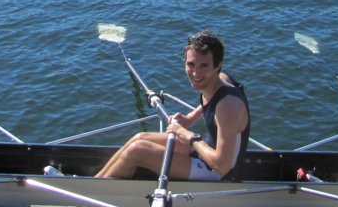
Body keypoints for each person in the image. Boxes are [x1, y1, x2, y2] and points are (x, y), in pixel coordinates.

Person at [96, 30, 250, 180]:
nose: (196, 73)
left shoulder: (228, 106)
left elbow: (222, 166)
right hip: (206, 151)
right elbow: (211, 102)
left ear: (217, 66)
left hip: (219, 174)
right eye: (191, 64)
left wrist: (189, 136)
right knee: (139, 138)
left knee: (137, 150)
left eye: (204, 66)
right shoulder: (222, 79)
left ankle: (96, 191)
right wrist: (189, 118)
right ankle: (97, 180)